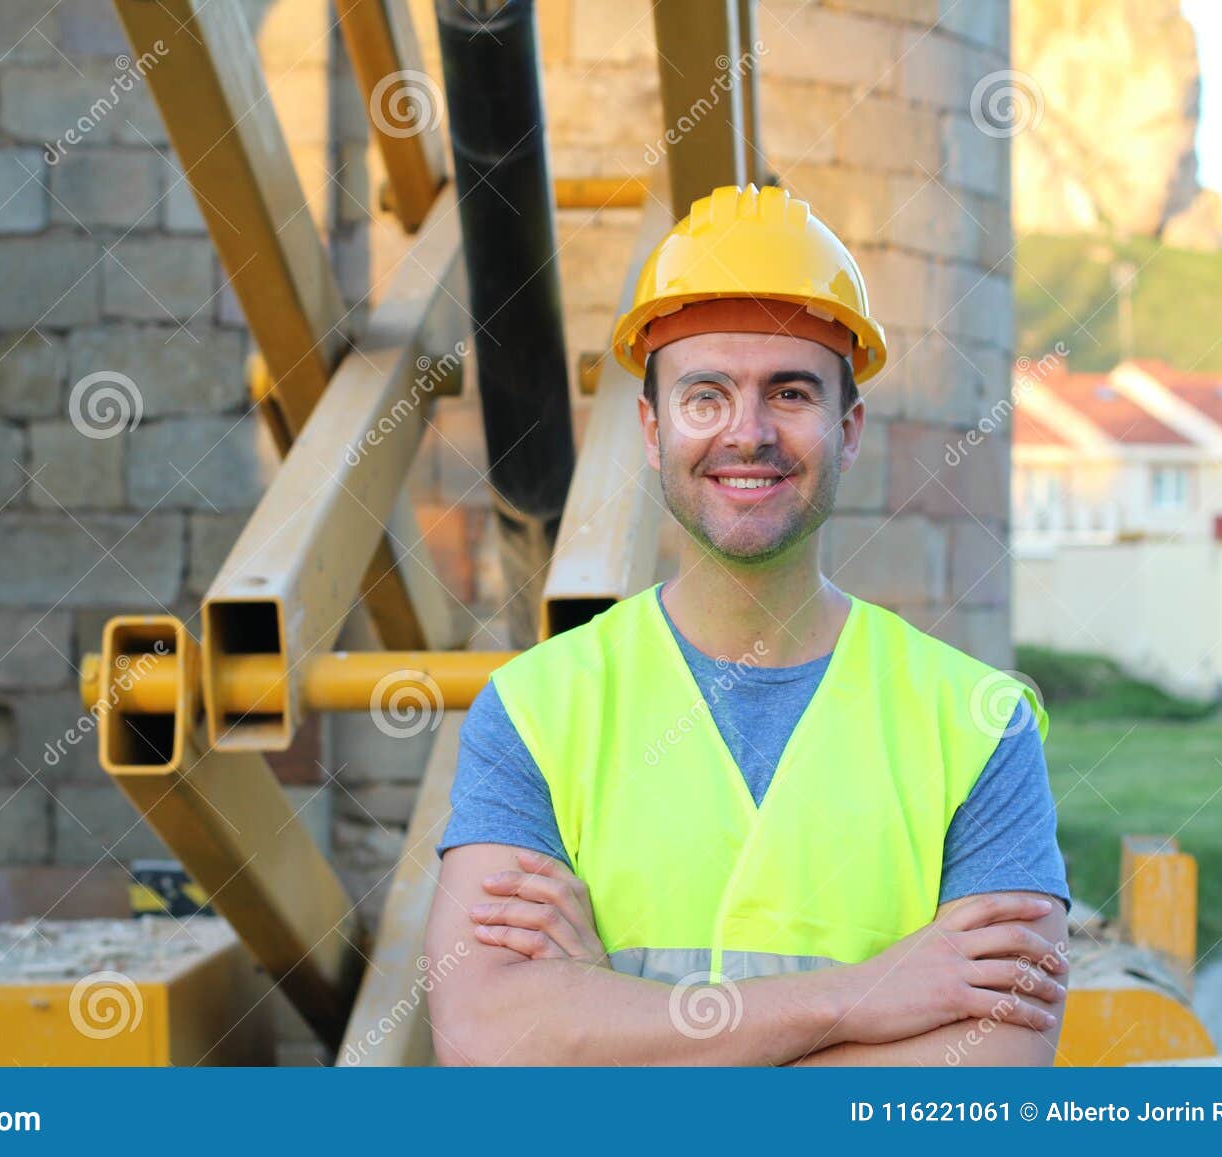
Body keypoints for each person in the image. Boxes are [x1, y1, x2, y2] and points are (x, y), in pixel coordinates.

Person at [424, 184, 1070, 1066]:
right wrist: (860, 996)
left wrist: (607, 1026)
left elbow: (996, 1078)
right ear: (652, 428)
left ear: (848, 428)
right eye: (706, 395)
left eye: (790, 392)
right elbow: (484, 1037)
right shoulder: (536, 710)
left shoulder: (977, 724)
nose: (749, 432)